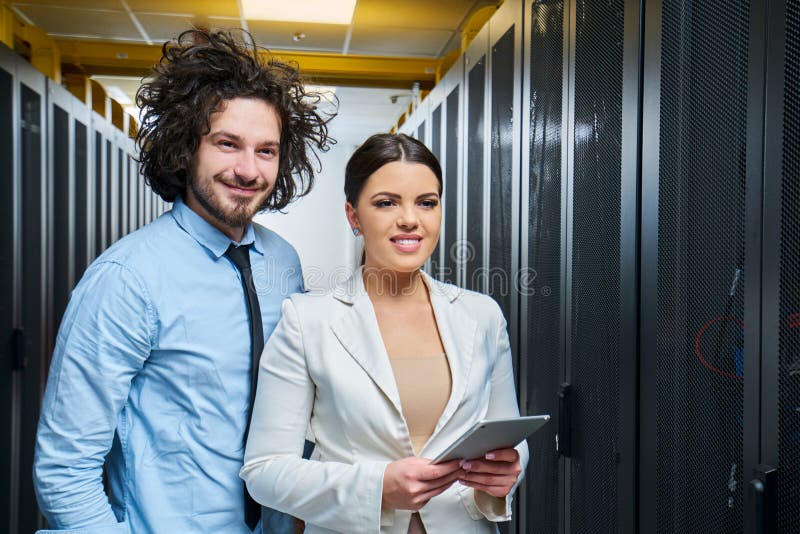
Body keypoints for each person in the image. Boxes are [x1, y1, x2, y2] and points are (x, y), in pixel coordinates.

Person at [33, 29, 332, 533]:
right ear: (184, 147)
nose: (247, 169)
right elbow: (65, 469)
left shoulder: (283, 260)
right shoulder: (126, 280)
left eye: (266, 151)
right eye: (227, 144)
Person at [240, 133, 528, 533]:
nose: (410, 218)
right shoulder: (308, 321)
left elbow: (506, 434)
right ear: (353, 216)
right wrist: (377, 488)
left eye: (427, 202)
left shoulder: (482, 316)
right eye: (386, 202)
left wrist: (507, 471)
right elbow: (264, 471)